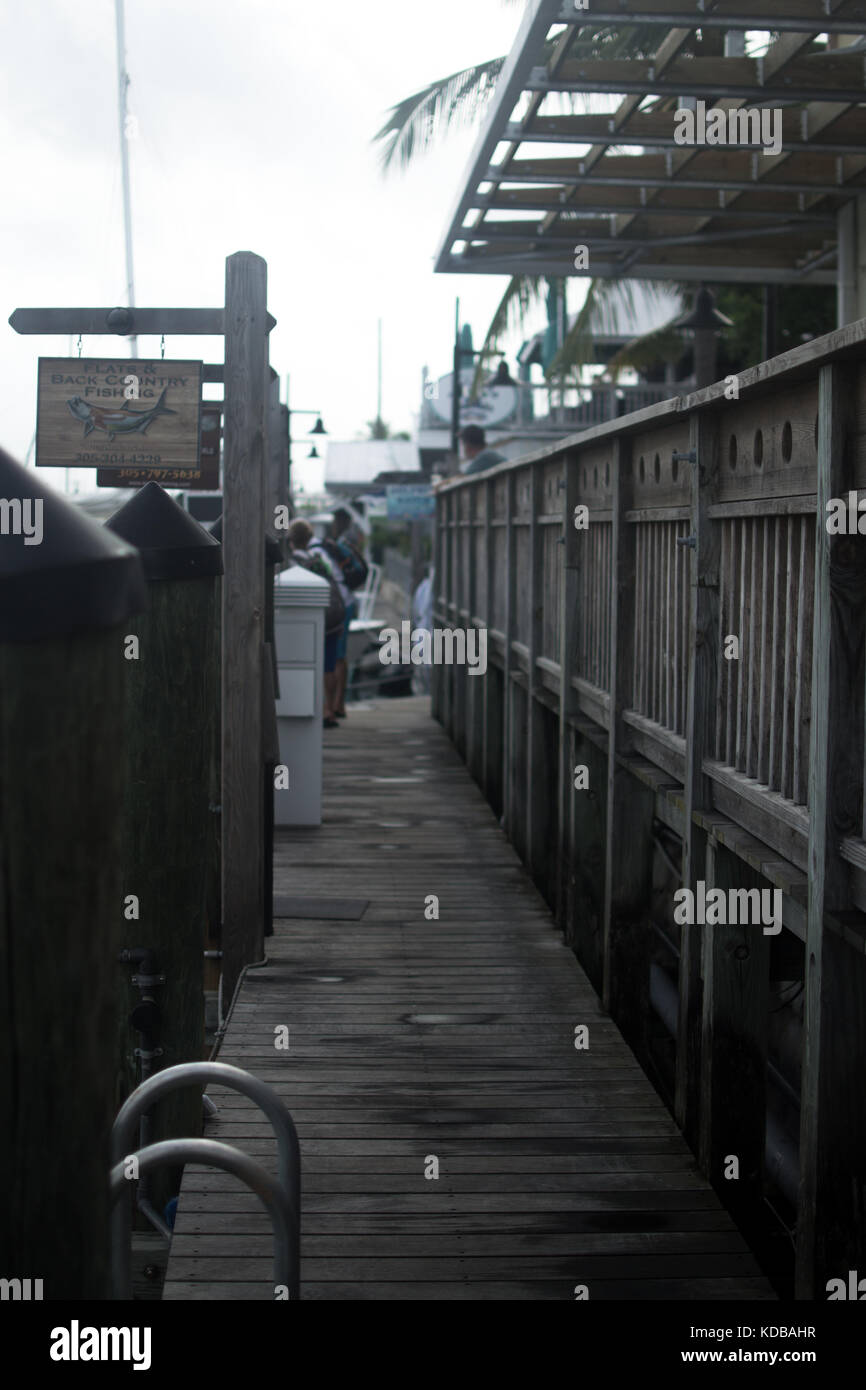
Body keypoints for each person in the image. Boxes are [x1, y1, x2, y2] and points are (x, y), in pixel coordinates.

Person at [287, 518, 344, 728]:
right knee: (330, 664)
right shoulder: (320, 559)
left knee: (309, 663)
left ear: (290, 540)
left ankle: (314, 707)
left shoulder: (291, 563)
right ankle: (330, 709)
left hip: (306, 619)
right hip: (331, 617)